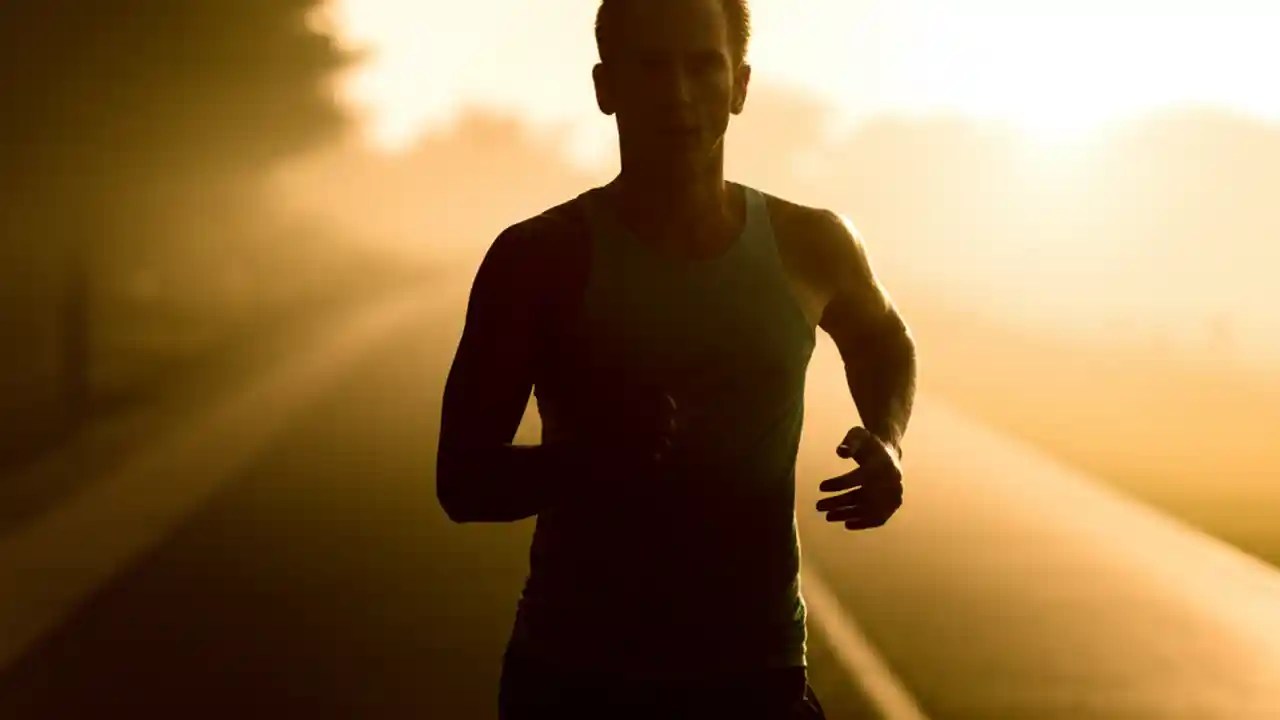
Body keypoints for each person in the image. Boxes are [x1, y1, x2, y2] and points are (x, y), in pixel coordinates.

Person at [436, 0, 917, 716]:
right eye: (651, 68)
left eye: (703, 65)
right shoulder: (538, 258)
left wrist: (888, 441)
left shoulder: (813, 243)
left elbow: (884, 338)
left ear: (741, 84)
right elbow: (463, 482)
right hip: (577, 679)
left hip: (757, 678)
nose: (680, 94)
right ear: (607, 88)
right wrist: (585, 459)